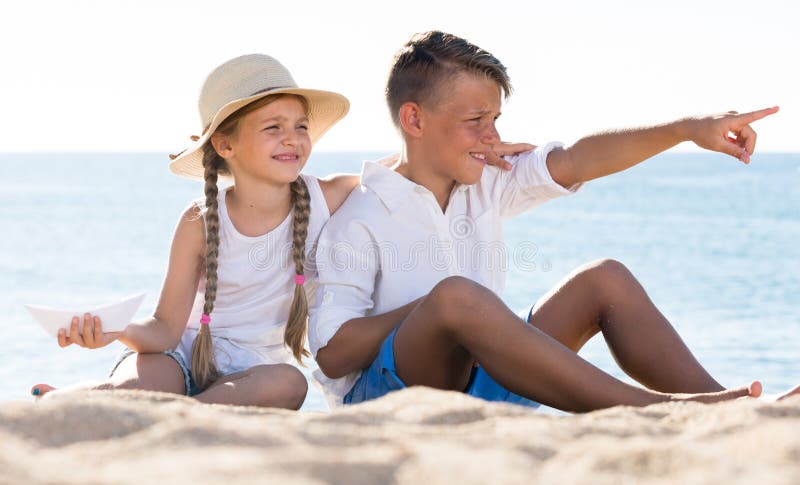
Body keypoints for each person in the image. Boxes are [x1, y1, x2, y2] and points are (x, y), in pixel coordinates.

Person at [308, 31, 799, 413]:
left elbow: (579, 159)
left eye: (496, 119)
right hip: (387, 402)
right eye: (476, 121)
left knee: (604, 279)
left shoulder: (489, 180)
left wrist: (687, 130)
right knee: (456, 295)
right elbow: (332, 353)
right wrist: (440, 307)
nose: (492, 135)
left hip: (486, 387)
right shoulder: (361, 215)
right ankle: (659, 410)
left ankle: (732, 410)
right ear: (414, 121)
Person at [30, 53, 524, 408]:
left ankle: (178, 416)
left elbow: (411, 168)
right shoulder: (200, 221)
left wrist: (475, 148)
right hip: (182, 356)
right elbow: (163, 328)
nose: (293, 139)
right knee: (142, 387)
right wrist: (114, 331)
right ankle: (68, 402)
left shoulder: (329, 196)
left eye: (300, 126)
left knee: (290, 385)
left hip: (255, 371)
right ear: (224, 145)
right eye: (273, 128)